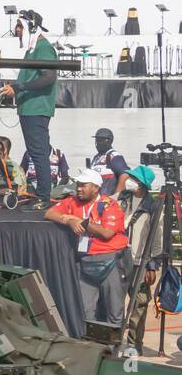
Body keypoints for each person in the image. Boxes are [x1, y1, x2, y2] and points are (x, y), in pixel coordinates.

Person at [45, 169, 129, 326]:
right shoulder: (73, 201)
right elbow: (49, 213)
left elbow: (106, 233)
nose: (78, 188)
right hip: (85, 260)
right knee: (85, 311)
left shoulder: (109, 205)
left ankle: (115, 341)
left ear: (96, 188)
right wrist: (69, 221)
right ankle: (92, 341)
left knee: (114, 311)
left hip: (111, 260)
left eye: (83, 185)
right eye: (78, 184)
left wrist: (81, 222)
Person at [0, 11, 58, 209]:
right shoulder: (33, 49)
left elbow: (48, 77)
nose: (16, 30)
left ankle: (43, 197)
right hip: (29, 108)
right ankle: (42, 195)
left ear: (31, 26)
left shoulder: (43, 48)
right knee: (36, 153)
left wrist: (19, 88)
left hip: (36, 109)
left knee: (39, 154)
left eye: (19, 26)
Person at [121, 164, 162, 351]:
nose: (129, 181)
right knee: (115, 302)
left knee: (139, 303)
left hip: (140, 262)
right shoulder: (122, 200)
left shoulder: (152, 206)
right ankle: (113, 340)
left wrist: (152, 265)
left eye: (134, 179)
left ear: (142, 185)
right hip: (118, 259)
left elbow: (156, 237)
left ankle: (134, 343)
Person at [88, 127, 130, 197]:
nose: (97, 143)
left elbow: (125, 175)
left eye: (100, 140)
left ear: (109, 141)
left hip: (107, 199)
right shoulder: (96, 157)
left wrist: (116, 197)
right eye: (96, 140)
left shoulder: (114, 156)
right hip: (96, 199)